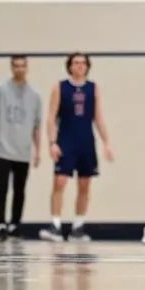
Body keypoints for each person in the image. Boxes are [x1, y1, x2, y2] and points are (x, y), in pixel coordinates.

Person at [40, 53, 112, 242]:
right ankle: (55, 225)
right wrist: (52, 142)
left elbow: (98, 117)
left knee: (85, 185)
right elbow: (50, 117)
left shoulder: (92, 88)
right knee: (60, 182)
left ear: (87, 66)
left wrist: (106, 143)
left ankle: (78, 227)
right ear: (70, 66)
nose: (79, 66)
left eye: (83, 63)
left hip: (86, 141)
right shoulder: (60, 87)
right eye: (76, 62)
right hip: (66, 140)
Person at [0, 55, 43, 240]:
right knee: (2, 187)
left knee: (20, 189)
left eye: (22, 66)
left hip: (23, 150)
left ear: (27, 68)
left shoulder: (34, 95)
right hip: (2, 148)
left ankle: (15, 224)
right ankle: (0, 223)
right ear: (11, 68)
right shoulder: (0, 90)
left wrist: (38, 150)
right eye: (15, 66)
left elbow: (37, 125)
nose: (19, 69)